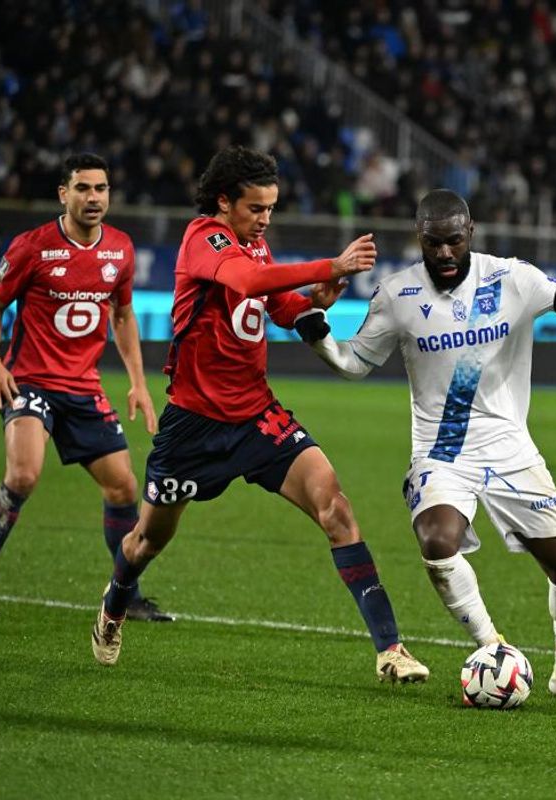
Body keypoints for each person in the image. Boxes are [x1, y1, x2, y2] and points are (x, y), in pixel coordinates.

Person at [90, 145, 429, 685]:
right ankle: (115, 601)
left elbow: (278, 307)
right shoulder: (203, 239)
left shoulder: (255, 246)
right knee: (148, 541)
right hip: (194, 426)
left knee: (335, 507)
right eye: (256, 208)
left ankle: (391, 648)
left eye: (271, 208)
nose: (265, 219)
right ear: (224, 202)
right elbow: (244, 284)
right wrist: (331, 264)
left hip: (257, 415)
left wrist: (320, 299)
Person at [303, 189, 556, 704]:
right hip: (440, 453)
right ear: (419, 238)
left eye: (454, 241)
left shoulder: (510, 277)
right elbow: (356, 362)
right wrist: (320, 338)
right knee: (437, 541)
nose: (444, 253)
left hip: (509, 446)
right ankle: (493, 648)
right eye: (433, 242)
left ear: (471, 234)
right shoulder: (396, 295)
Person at [0, 153, 168, 621]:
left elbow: (122, 315)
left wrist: (138, 382)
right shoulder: (31, 247)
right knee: (23, 475)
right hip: (31, 380)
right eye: (83, 188)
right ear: (64, 194)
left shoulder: (120, 248)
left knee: (123, 487)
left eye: (101, 189)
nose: (93, 197)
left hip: (83, 386)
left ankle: (126, 594)